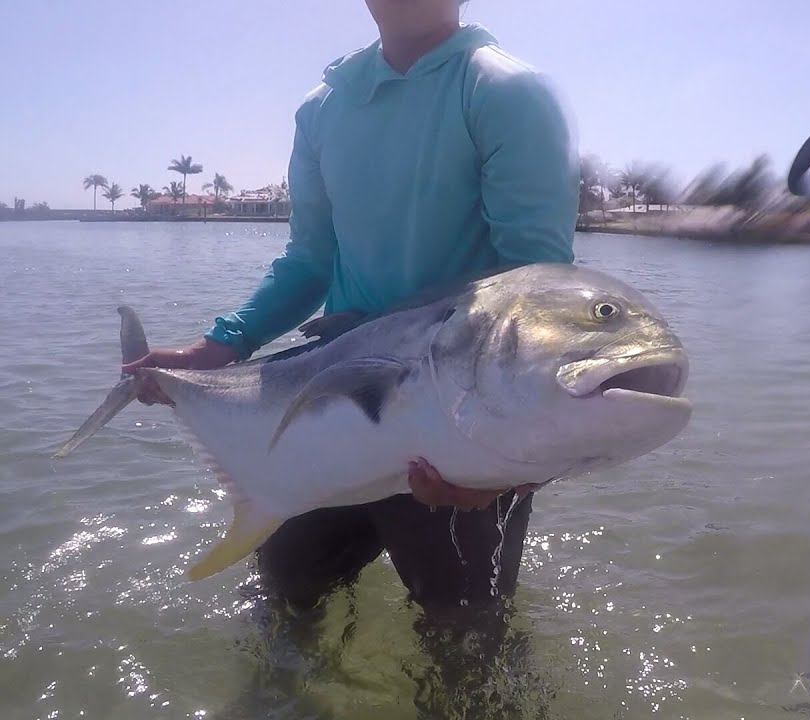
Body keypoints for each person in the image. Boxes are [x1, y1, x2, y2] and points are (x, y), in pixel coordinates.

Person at [123, 0, 579, 611]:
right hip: (334, 400)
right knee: (284, 598)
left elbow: (536, 293)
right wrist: (220, 346)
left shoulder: (506, 92)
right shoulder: (322, 109)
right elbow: (311, 260)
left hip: (462, 423)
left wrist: (518, 467)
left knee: (468, 649)